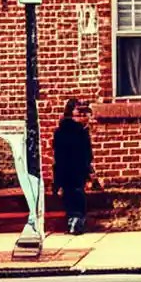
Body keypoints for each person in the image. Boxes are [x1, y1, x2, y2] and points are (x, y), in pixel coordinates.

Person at [52, 99, 95, 236]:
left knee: (68, 194)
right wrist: (88, 168)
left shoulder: (59, 132)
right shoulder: (81, 132)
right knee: (78, 193)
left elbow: (57, 154)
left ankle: (72, 221)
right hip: (78, 167)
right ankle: (77, 222)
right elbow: (87, 153)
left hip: (64, 167)